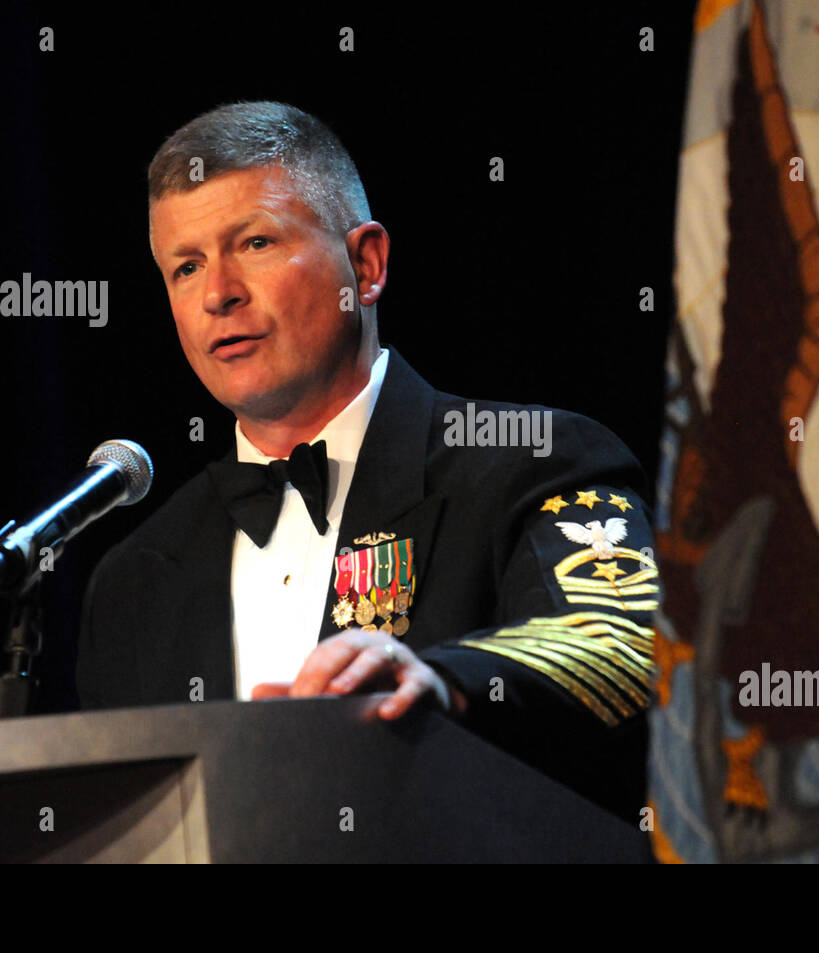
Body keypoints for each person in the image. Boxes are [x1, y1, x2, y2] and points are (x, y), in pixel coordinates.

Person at [76, 101, 659, 820]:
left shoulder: (531, 462)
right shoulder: (134, 580)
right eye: (185, 266)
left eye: (255, 243)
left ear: (367, 264)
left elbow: (626, 644)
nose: (217, 294)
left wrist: (440, 681)